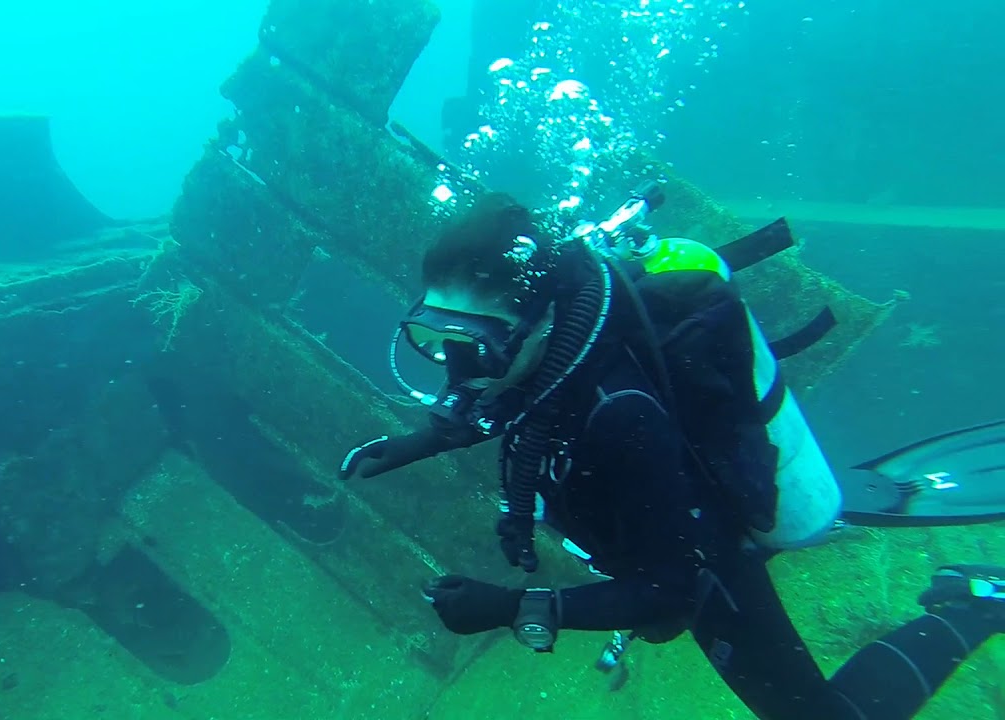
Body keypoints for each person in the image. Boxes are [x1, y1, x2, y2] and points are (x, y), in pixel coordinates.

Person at [338, 188, 1005, 720]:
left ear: (539, 322)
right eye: (435, 335)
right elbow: (507, 397)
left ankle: (978, 603)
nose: (456, 366)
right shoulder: (537, 350)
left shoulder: (618, 414)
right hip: (648, 516)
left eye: (473, 343)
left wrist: (517, 608)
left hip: (704, 550)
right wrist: (417, 441)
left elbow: (671, 589)